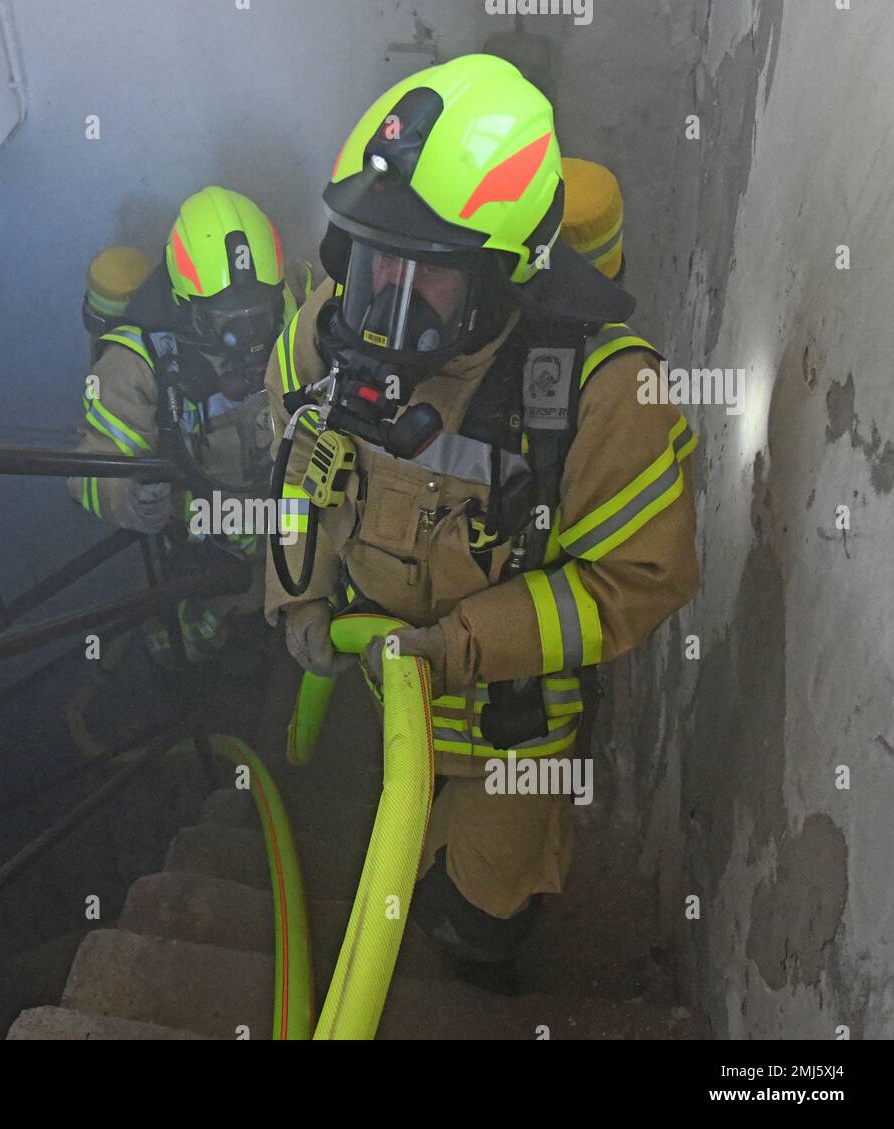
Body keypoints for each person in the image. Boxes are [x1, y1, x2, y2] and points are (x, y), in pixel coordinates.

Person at [266, 54, 699, 988]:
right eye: (375, 257)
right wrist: (299, 597)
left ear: (507, 276)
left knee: (480, 920)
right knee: (399, 846)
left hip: (515, 729)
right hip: (387, 693)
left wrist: (458, 646)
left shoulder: (606, 395)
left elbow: (638, 578)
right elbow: (299, 462)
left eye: (429, 273)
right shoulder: (320, 335)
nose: (385, 300)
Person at [68, 186, 304, 664]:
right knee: (186, 653)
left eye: (260, 317)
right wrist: (131, 497)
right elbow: (90, 469)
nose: (252, 338)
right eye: (229, 323)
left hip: (295, 540)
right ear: (186, 309)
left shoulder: (295, 307)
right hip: (208, 559)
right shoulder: (134, 365)